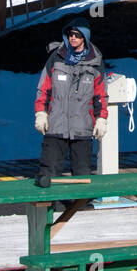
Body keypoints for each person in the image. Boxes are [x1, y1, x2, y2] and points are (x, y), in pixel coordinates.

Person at [35, 17, 108, 181]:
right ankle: (52, 205)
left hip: (82, 126)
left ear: (85, 38)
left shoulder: (95, 62)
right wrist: (41, 113)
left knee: (82, 174)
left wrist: (101, 118)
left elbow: (101, 95)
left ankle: (76, 206)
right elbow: (43, 88)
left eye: (77, 35)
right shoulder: (56, 58)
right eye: (70, 34)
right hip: (56, 125)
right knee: (49, 173)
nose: (73, 38)